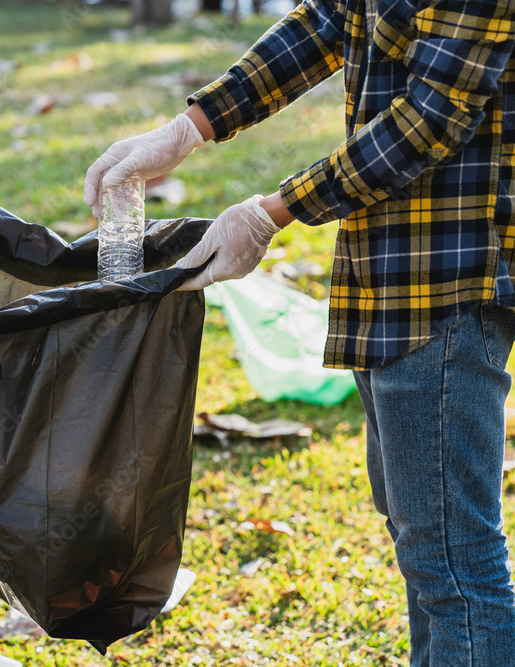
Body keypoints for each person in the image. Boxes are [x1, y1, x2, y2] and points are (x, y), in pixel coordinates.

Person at [86, 0, 515, 663]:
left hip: (447, 278)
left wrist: (272, 212)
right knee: (423, 544)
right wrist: (190, 127)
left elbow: (430, 120)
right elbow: (326, 23)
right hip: (388, 270)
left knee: (454, 562)